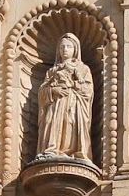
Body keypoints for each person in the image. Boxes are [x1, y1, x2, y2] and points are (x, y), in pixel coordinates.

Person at [36, 32, 94, 163]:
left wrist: (73, 84)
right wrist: (53, 90)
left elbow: (88, 91)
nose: (65, 50)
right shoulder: (51, 72)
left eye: (68, 47)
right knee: (53, 124)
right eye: (62, 47)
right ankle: (52, 149)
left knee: (69, 124)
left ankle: (72, 151)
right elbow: (41, 93)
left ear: (75, 50)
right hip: (55, 107)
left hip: (73, 106)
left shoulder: (83, 69)